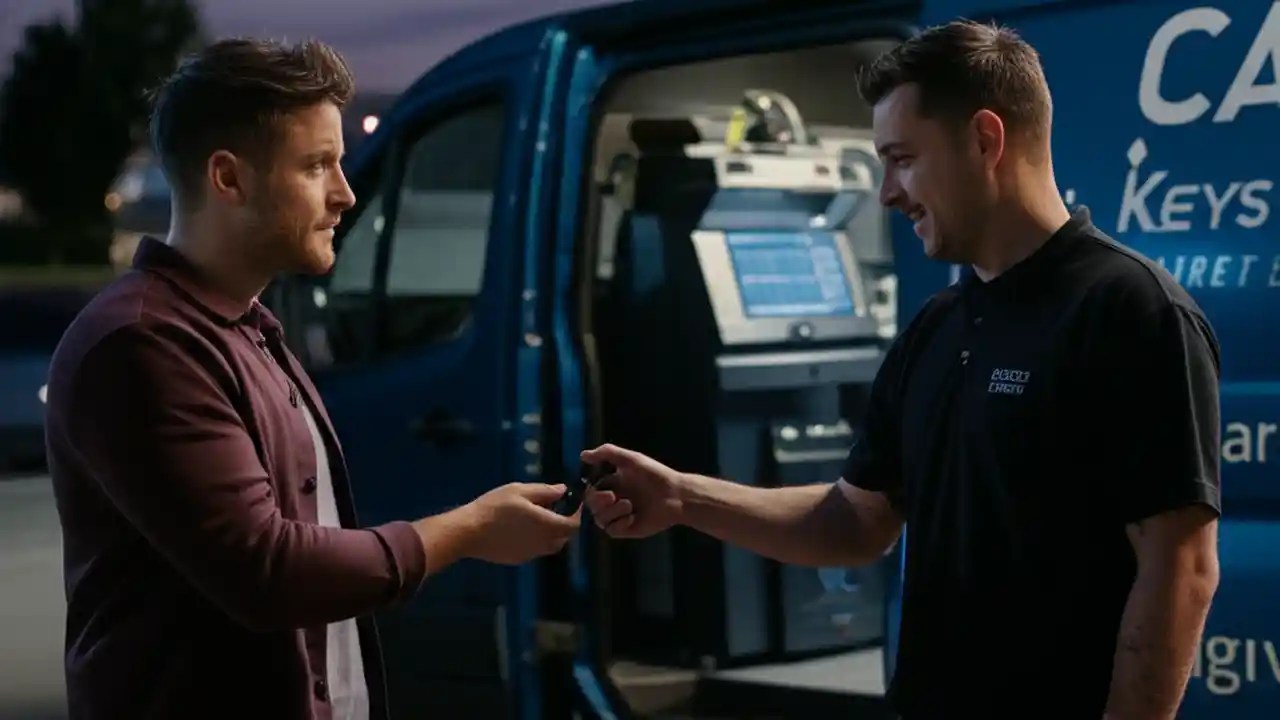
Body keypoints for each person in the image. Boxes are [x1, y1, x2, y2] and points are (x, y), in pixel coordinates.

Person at [584, 19, 1221, 720]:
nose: (887, 192)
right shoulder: (938, 327)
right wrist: (682, 497)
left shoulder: (1131, 311)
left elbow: (1181, 570)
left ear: (986, 140)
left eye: (902, 159)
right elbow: (853, 521)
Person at [43, 38, 580, 720]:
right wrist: (470, 530)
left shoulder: (245, 328)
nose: (345, 194)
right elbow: (269, 571)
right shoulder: (144, 344)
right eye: (317, 165)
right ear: (228, 179)